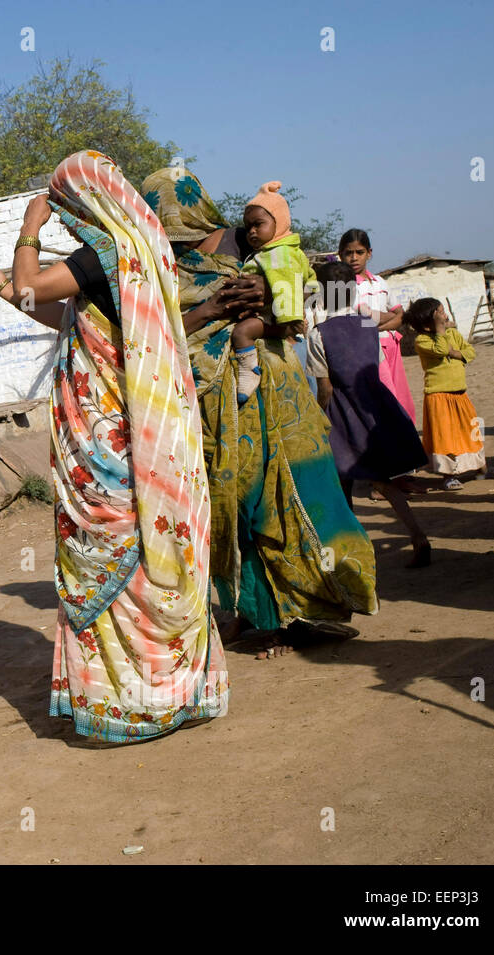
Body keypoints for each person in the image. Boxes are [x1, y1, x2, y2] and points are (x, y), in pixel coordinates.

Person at [0, 150, 228, 743]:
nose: (59, 213)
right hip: (131, 435)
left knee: (111, 545)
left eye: (63, 201)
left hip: (107, 437)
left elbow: (36, 281)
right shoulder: (137, 252)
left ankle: (136, 701)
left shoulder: (103, 251)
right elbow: (61, 310)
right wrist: (6, 288)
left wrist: (28, 228)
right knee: (139, 547)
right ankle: (165, 690)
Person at [141, 166, 377, 659]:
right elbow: (154, 332)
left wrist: (270, 300)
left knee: (296, 497)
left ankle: (310, 610)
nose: (167, 223)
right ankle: (261, 618)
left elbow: (308, 291)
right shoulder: (159, 263)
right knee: (239, 505)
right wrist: (209, 312)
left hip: (277, 387)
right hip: (217, 402)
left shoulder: (246, 241)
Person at [307, 262, 431, 567]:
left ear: (321, 296)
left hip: (341, 416)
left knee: (343, 483)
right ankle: (416, 535)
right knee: (381, 480)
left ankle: (350, 554)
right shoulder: (367, 325)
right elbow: (373, 367)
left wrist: (316, 418)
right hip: (374, 406)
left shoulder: (317, 334)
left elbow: (324, 389)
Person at [230, 182, 317, 403]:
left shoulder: (279, 254)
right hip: (276, 313)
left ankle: (248, 372)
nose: (252, 231)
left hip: (278, 316)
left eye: (258, 224)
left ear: (279, 223)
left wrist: (291, 318)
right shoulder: (271, 251)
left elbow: (286, 286)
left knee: (242, 333)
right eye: (248, 226)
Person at [404, 298, 486, 488]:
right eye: (439, 314)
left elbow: (470, 352)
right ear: (427, 325)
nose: (444, 316)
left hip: (459, 394)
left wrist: (455, 353)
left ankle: (480, 466)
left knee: (471, 430)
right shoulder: (422, 340)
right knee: (445, 437)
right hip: (438, 395)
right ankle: (448, 475)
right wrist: (442, 333)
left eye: (443, 311)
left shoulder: (453, 334)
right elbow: (441, 350)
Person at [337, 229, 416, 423]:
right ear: (341, 255)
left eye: (359, 252)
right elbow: (358, 319)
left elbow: (401, 316)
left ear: (369, 253)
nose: (354, 258)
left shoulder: (380, 282)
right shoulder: (341, 286)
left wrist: (378, 324)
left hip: (391, 346)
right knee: (382, 398)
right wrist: (384, 319)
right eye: (348, 253)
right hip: (365, 349)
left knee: (400, 395)